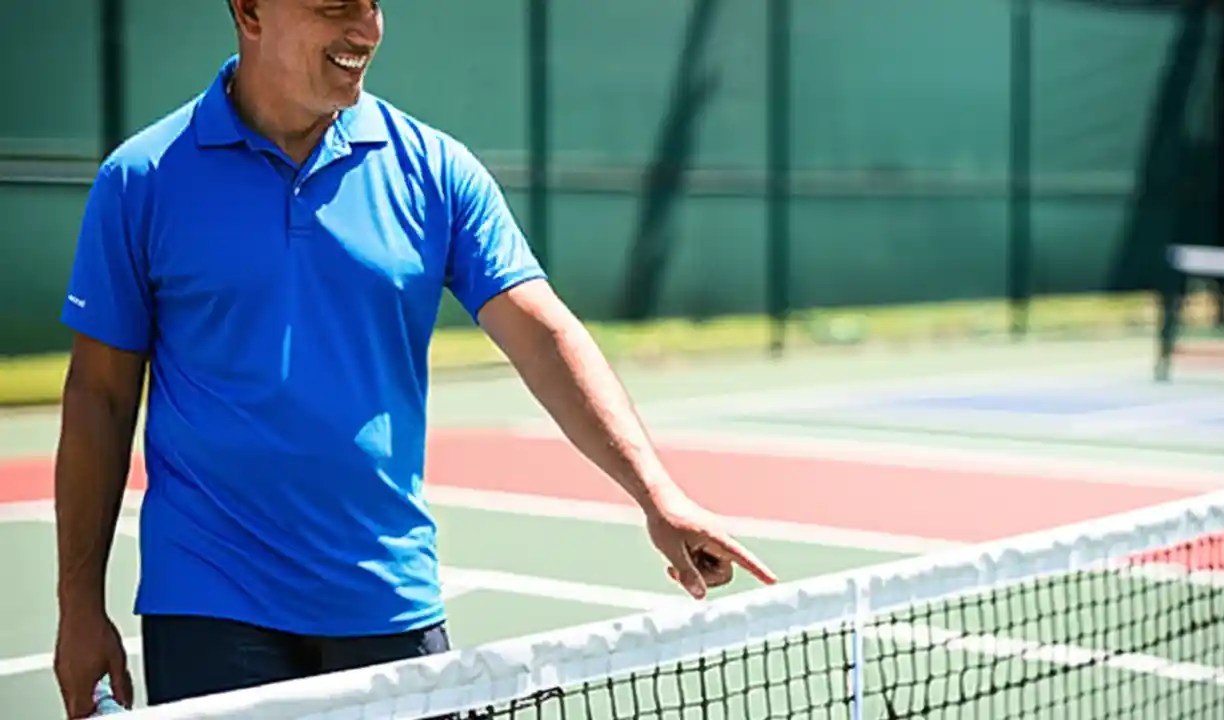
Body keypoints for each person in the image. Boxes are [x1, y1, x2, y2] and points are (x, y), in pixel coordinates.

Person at [51, 1, 777, 717]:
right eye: (335, 7)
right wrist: (78, 604)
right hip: (209, 603)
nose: (364, 29)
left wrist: (657, 494)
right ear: (249, 11)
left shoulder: (436, 171)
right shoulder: (141, 180)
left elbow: (543, 336)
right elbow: (99, 399)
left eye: (372, 6)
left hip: (387, 599)